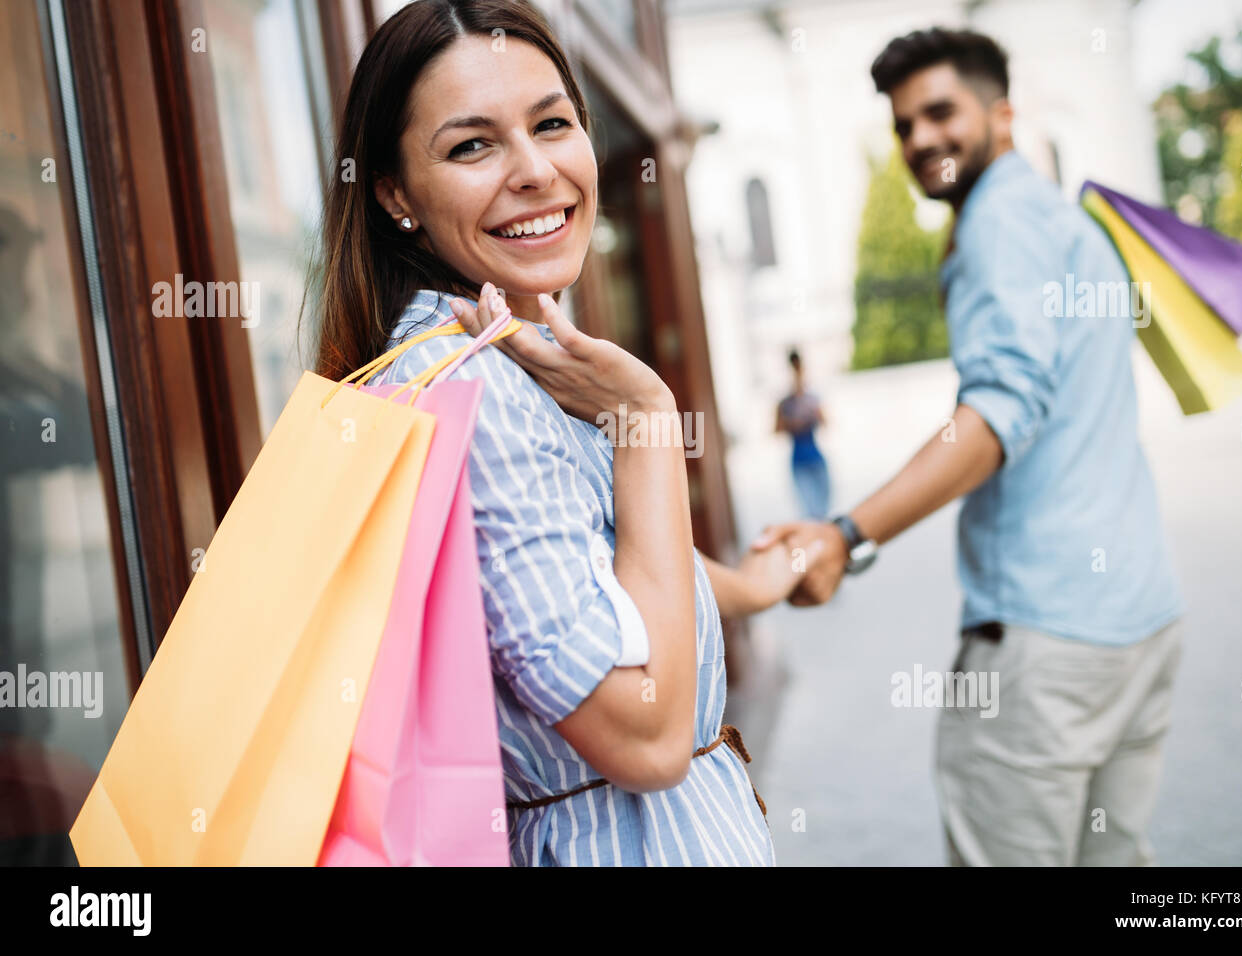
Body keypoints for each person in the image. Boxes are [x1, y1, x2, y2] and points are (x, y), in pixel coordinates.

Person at [310, 0, 799, 866]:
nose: (536, 170)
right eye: (472, 146)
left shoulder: (505, 359)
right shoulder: (475, 392)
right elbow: (646, 738)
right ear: (394, 194)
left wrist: (760, 584)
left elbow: (594, 567)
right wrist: (645, 421)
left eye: (552, 123)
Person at [755, 27, 1184, 866]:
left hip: (1044, 638)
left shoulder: (997, 225)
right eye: (903, 124)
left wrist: (847, 534)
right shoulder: (1062, 219)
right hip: (1141, 620)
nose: (920, 139)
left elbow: (997, 413)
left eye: (940, 112)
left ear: (1005, 113)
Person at [775, 349, 831, 519]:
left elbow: (825, 423)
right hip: (799, 460)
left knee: (822, 508)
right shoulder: (785, 403)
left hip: (814, 457)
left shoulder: (812, 399)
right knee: (810, 511)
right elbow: (776, 430)